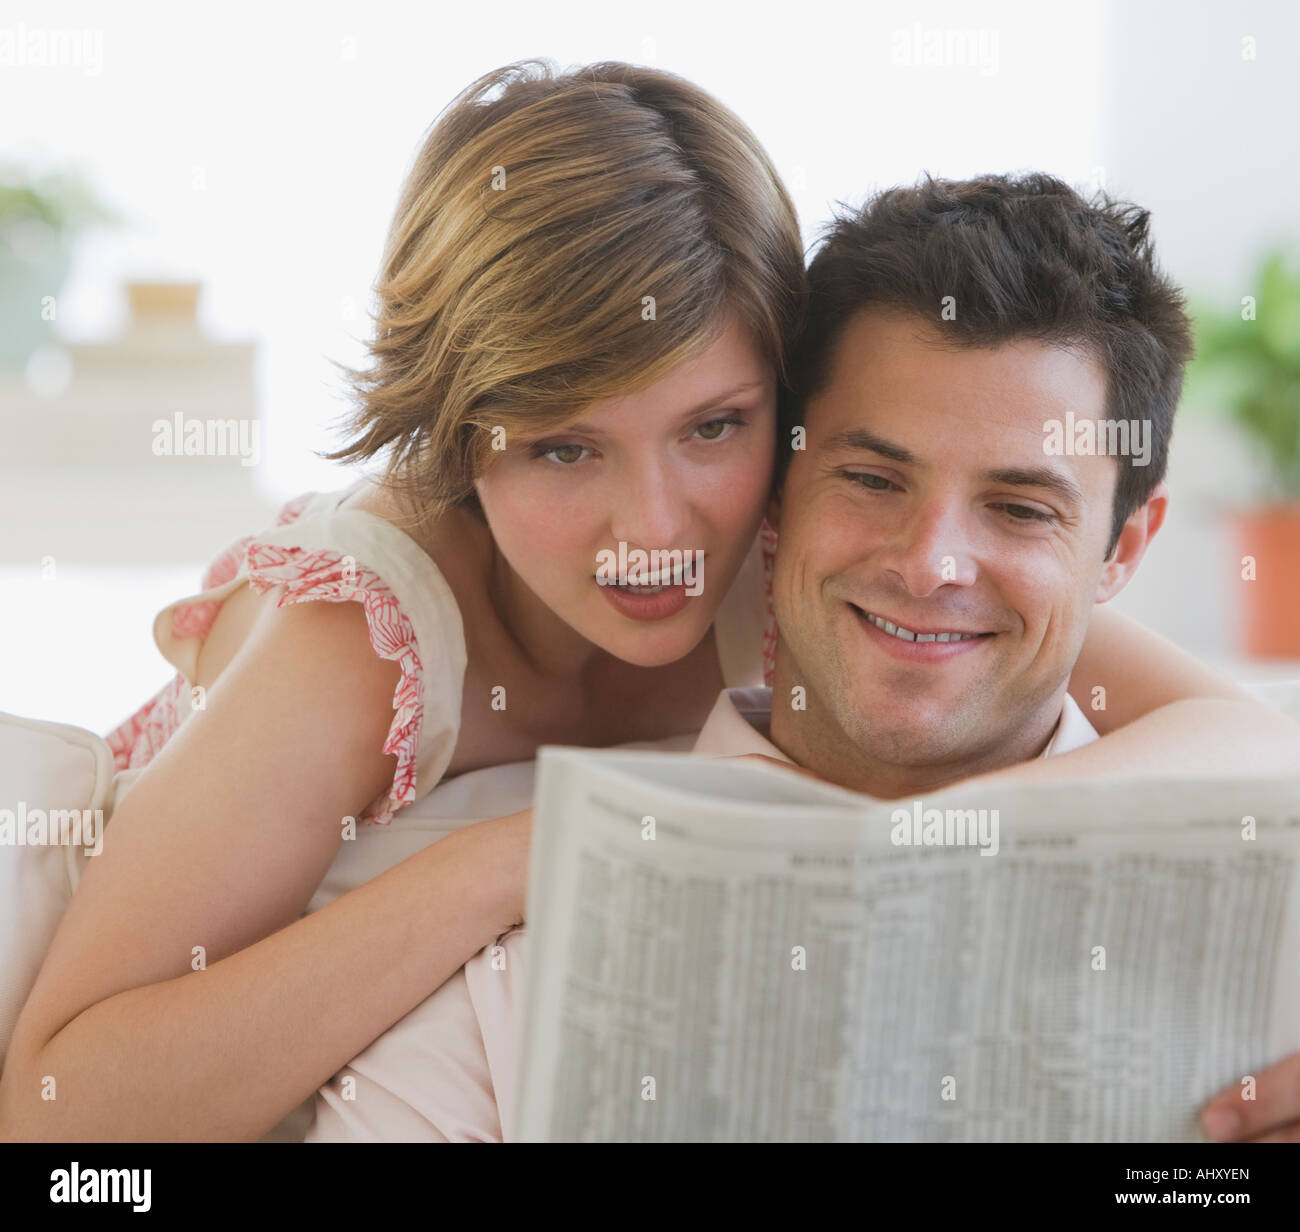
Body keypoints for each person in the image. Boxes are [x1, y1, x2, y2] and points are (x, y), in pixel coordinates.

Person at [304, 172, 1300, 1143]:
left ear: (1122, 549)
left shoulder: (1274, 926)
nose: (930, 564)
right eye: (872, 477)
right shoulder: (503, 958)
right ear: (772, 491)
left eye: (1019, 508)